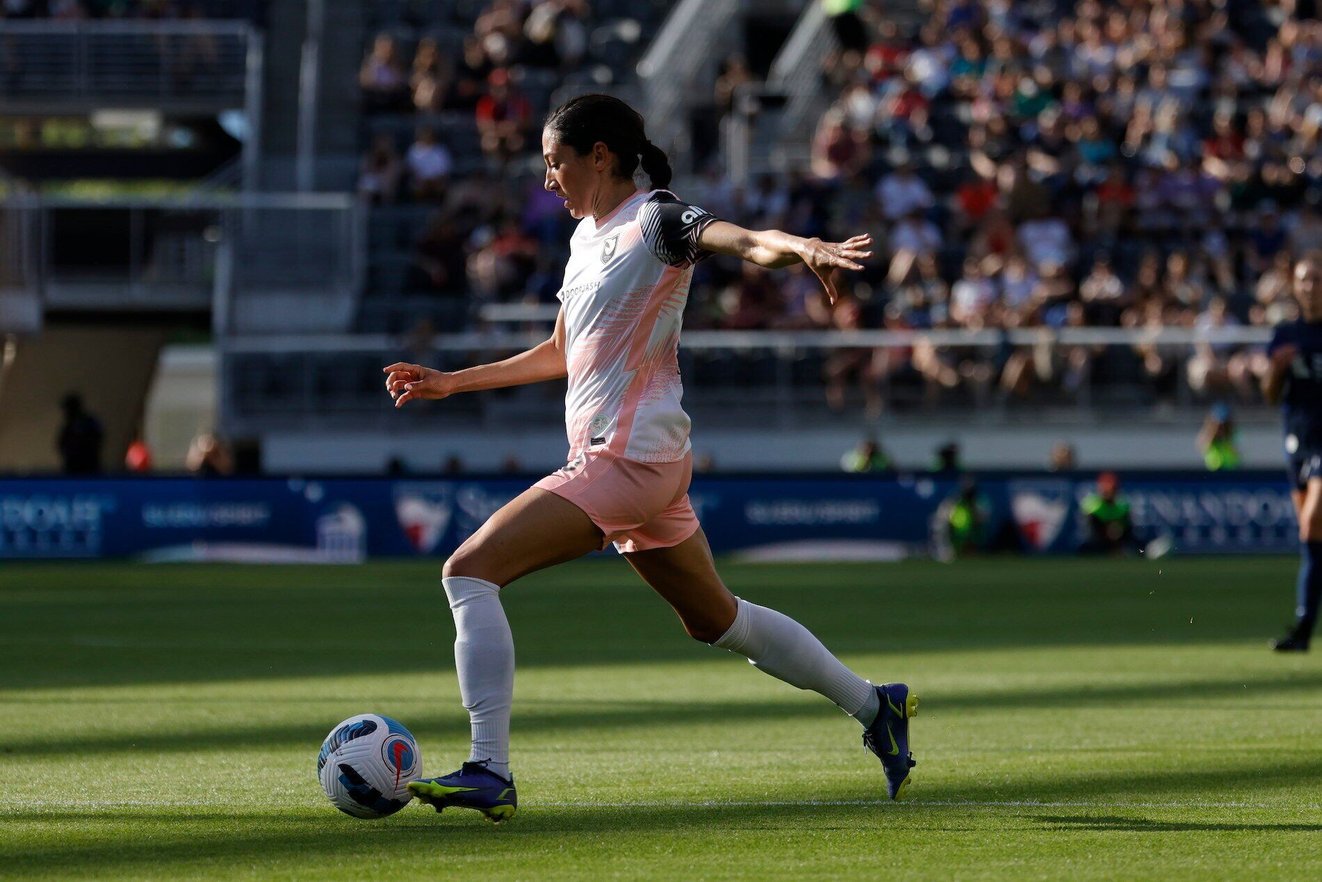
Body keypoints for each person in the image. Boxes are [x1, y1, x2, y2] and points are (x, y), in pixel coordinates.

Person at [382, 94, 916, 823]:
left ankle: (489, 768)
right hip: (647, 463)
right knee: (717, 620)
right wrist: (453, 381)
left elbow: (742, 238)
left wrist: (800, 248)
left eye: (554, 163)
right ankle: (873, 705)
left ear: (599, 155)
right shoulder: (585, 240)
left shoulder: (656, 219)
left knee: (469, 571)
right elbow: (562, 353)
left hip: (624, 458)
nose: (547, 182)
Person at [1262, 252, 1322, 652]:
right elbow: (1269, 396)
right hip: (1297, 440)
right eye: (1304, 280)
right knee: (1313, 544)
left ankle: (1302, 628)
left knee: (1310, 526)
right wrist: (1277, 368)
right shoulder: (1285, 334)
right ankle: (1302, 632)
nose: (1311, 286)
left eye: (1317, 279)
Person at [1078, 471, 1135, 556]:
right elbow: (1090, 528)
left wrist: (1117, 529)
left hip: (1118, 539)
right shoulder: (1092, 504)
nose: (1109, 493)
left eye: (1112, 489)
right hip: (1097, 540)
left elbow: (1127, 526)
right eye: (1106, 490)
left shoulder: (1122, 505)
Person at [55, 392, 103, 474]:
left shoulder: (89, 423)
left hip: (89, 468)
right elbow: (61, 444)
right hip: (72, 468)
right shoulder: (69, 426)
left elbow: (96, 439)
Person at [1197, 403, 1241, 472]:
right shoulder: (1207, 433)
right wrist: (1213, 431)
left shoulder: (1233, 434)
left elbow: (1236, 452)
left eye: (1224, 424)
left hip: (1231, 470)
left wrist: (1226, 437)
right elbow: (1203, 446)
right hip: (1213, 471)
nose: (1221, 427)